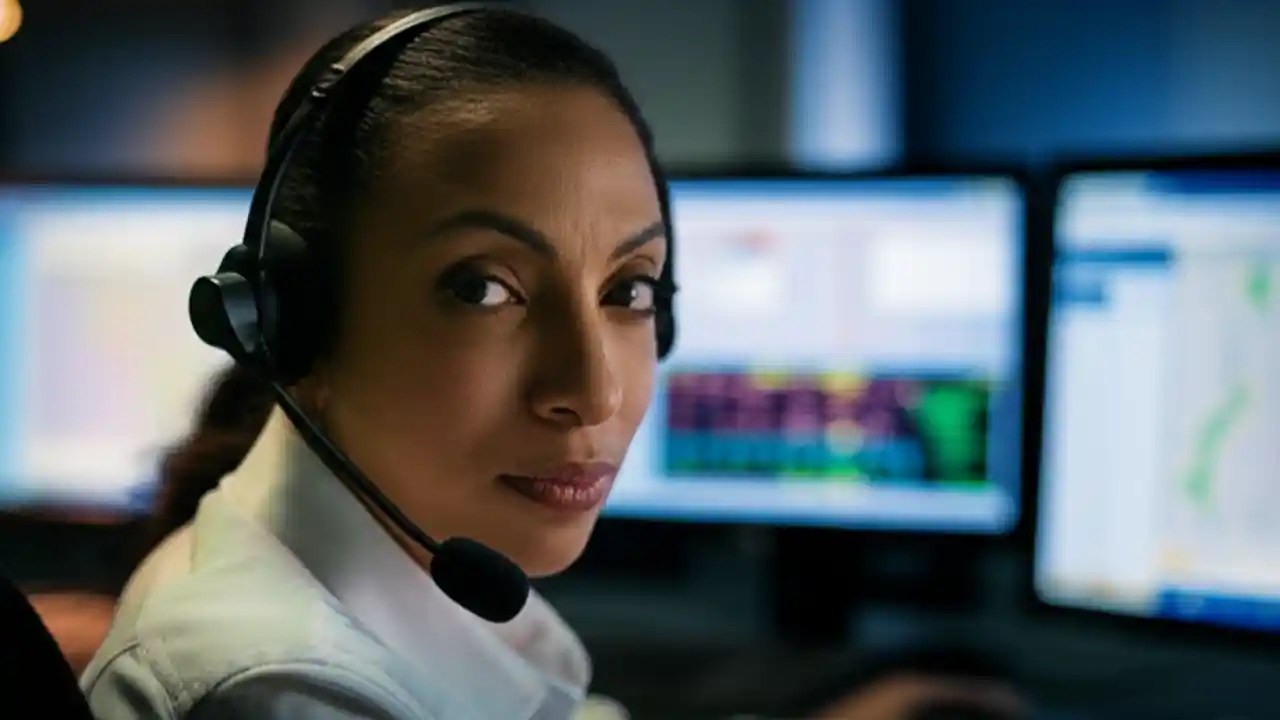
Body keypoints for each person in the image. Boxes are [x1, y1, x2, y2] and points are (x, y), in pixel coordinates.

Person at [81, 5, 668, 718]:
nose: (596, 393)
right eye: (482, 289)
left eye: (629, 290)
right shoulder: (286, 695)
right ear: (300, 321)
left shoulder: (428, 579)